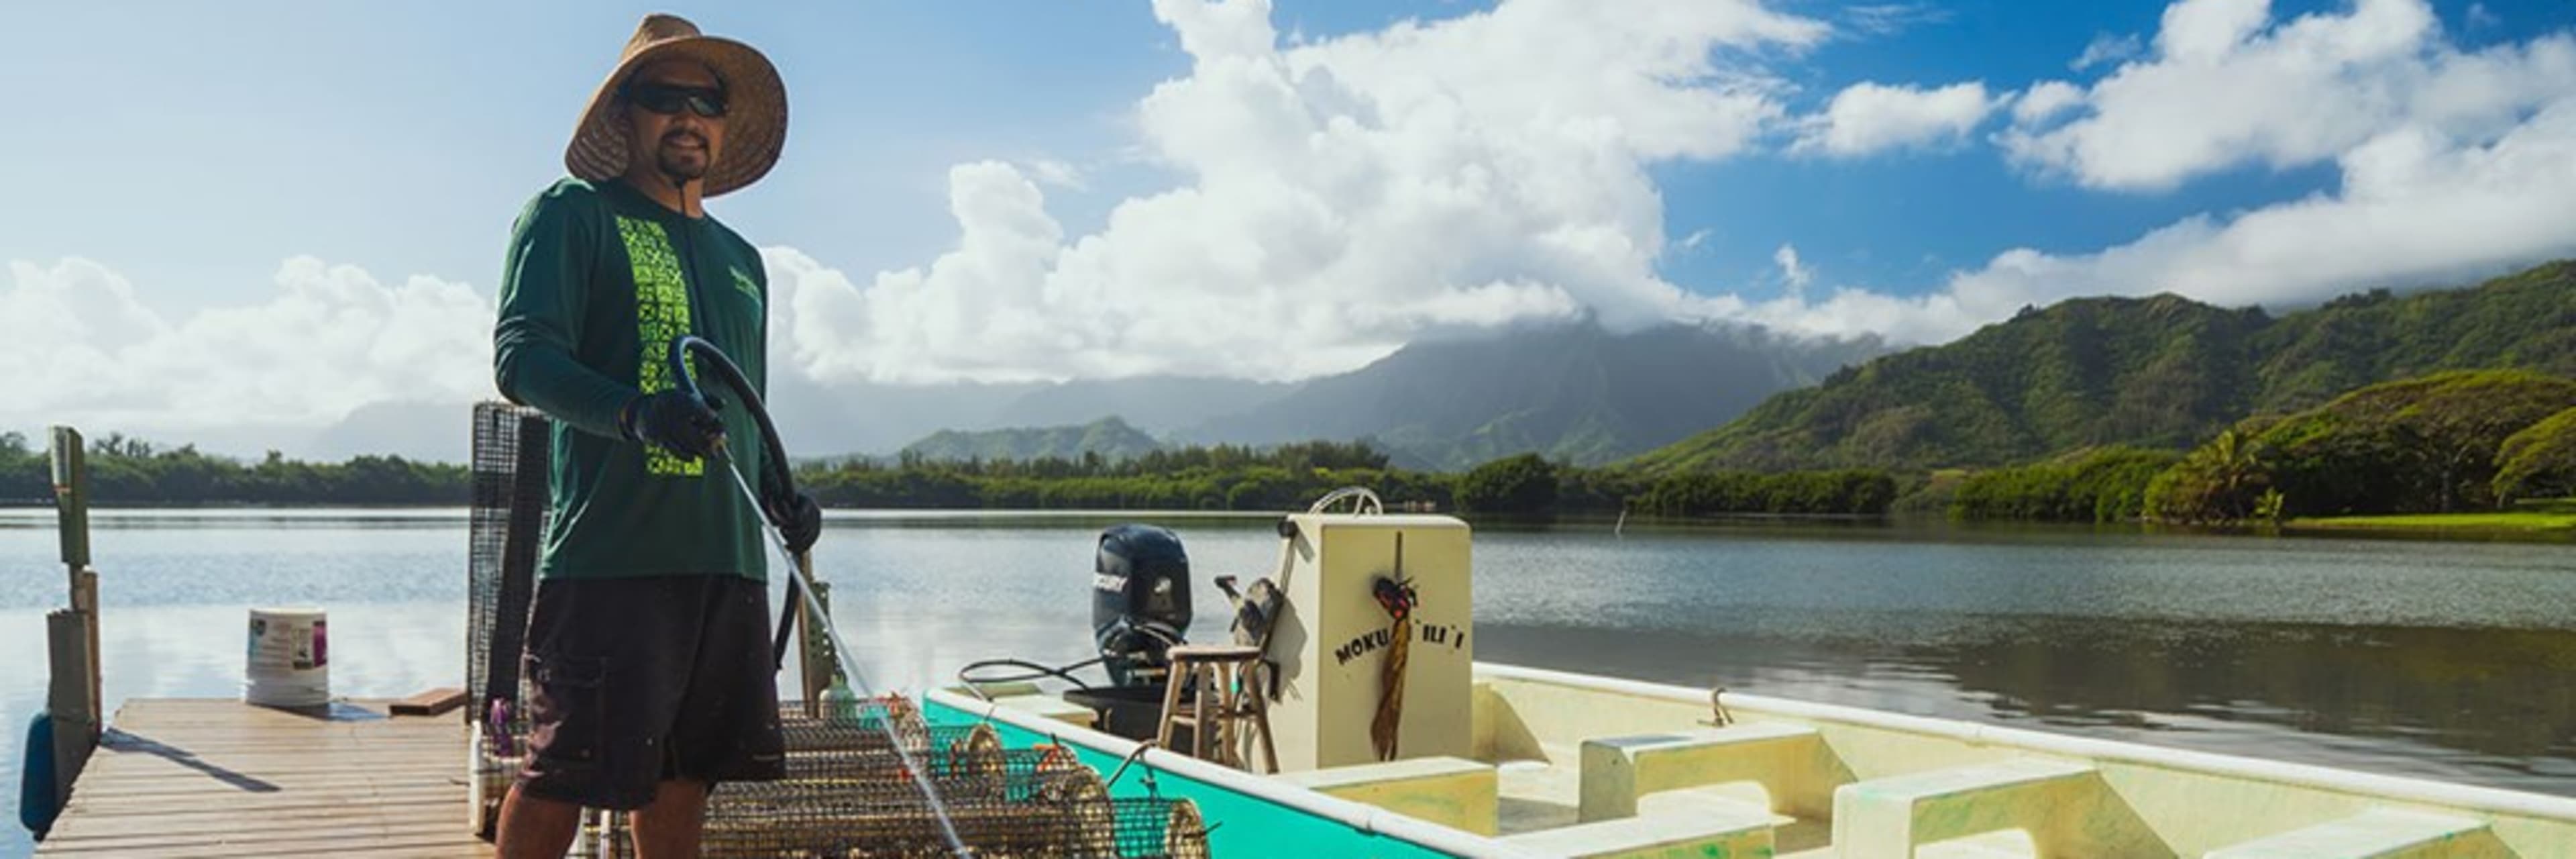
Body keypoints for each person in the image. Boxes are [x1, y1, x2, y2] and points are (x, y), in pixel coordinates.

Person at [488, 13, 821, 858]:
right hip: (611, 555)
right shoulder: (573, 214)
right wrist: (636, 412)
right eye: (662, 98)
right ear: (625, 117)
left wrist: (779, 489)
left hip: (727, 560)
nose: (687, 117)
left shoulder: (744, 258)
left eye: (705, 102)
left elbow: (748, 399)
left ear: (723, 123)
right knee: (563, 770)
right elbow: (522, 358)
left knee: (687, 772)